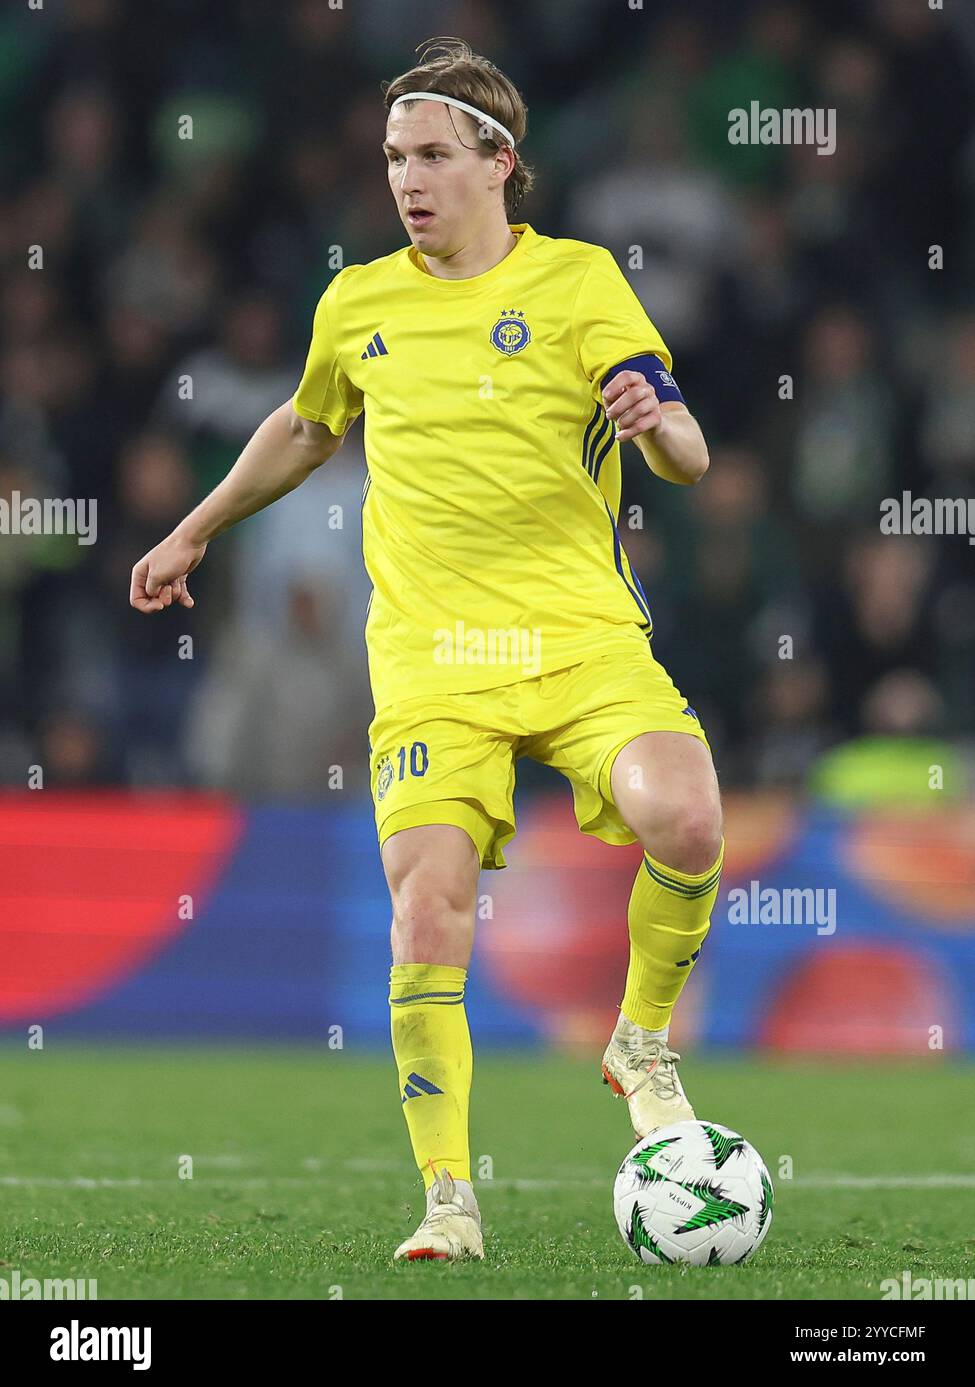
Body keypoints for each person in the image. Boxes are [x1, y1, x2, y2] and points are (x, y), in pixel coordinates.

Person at [129, 37, 723, 1264]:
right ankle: (449, 1197)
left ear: (500, 163)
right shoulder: (359, 303)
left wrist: (658, 424)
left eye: (435, 155)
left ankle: (640, 1040)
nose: (408, 179)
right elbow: (301, 426)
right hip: (434, 660)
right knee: (430, 911)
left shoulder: (578, 282)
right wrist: (191, 529)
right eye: (396, 157)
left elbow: (685, 449)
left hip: (580, 638)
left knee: (692, 821)